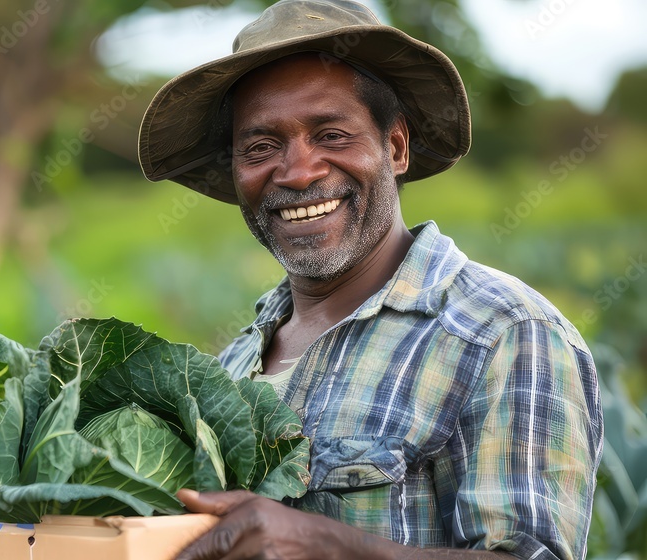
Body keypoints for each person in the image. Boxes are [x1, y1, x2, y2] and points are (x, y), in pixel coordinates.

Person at [136, 1, 603, 559]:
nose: (299, 172)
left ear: (396, 148)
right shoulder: (234, 363)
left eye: (331, 135)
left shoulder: (503, 333)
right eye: (261, 148)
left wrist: (331, 546)